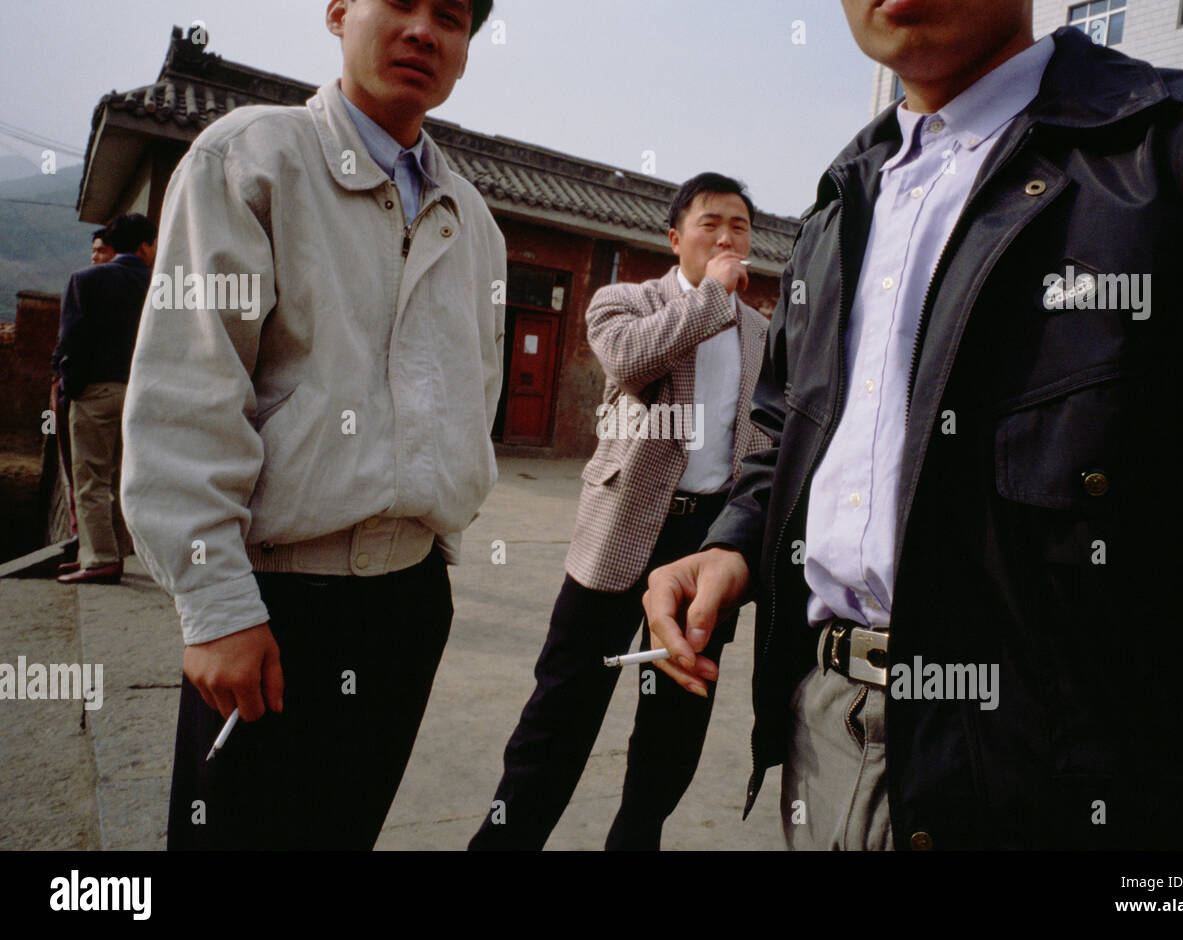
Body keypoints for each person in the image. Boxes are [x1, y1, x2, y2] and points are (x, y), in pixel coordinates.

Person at [644, 0, 1183, 850]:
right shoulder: (841, 206)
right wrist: (734, 544)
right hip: (824, 736)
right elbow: (786, 429)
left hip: (1071, 783)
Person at [121, 0, 501, 850]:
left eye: (451, 15)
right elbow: (190, 389)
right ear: (337, 11)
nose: (422, 31)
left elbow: (475, 389)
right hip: (276, 603)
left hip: (408, 605)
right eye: (398, 3)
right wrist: (215, 601)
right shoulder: (252, 158)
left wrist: (440, 541)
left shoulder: (471, 218)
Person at [469, 173, 770, 851]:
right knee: (562, 709)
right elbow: (631, 361)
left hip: (705, 541)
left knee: (674, 721)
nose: (727, 238)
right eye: (711, 224)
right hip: (621, 529)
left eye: (740, 227)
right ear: (675, 238)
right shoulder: (625, 302)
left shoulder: (762, 333)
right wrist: (713, 295)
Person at [53, 213, 155, 585]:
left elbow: (71, 341)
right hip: (142, 394)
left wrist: (71, 387)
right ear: (144, 246)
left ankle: (99, 560)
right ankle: (119, 551)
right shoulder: (161, 286)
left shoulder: (85, 280)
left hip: (96, 392)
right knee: (123, 478)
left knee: (90, 479)